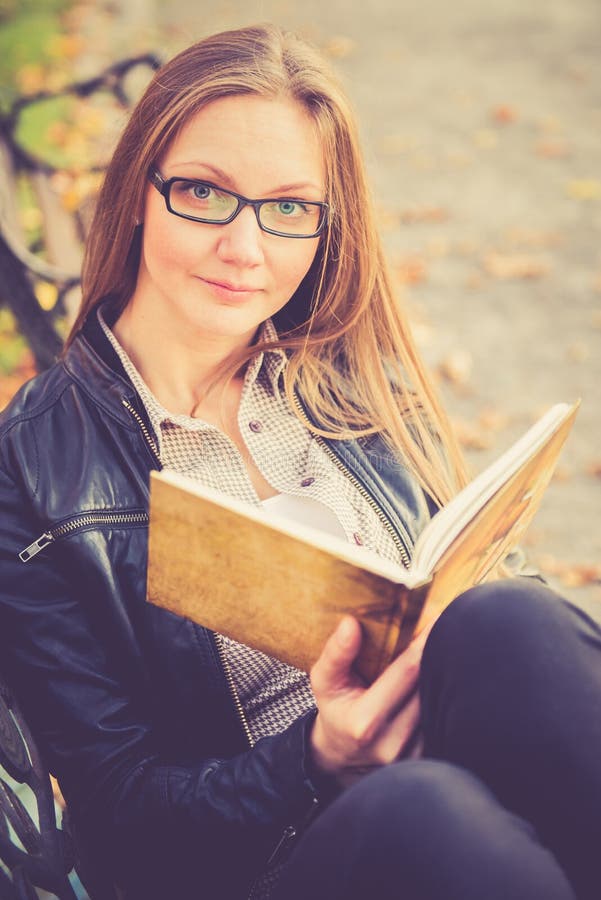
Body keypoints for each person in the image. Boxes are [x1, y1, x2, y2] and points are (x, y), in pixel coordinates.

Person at [0, 23, 600, 900]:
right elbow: (124, 808)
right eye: (204, 193)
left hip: (445, 775)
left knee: (510, 621)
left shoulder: (341, 379)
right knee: (418, 811)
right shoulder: (34, 467)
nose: (245, 250)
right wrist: (320, 755)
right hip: (263, 860)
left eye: (287, 208)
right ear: (136, 192)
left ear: (324, 225)